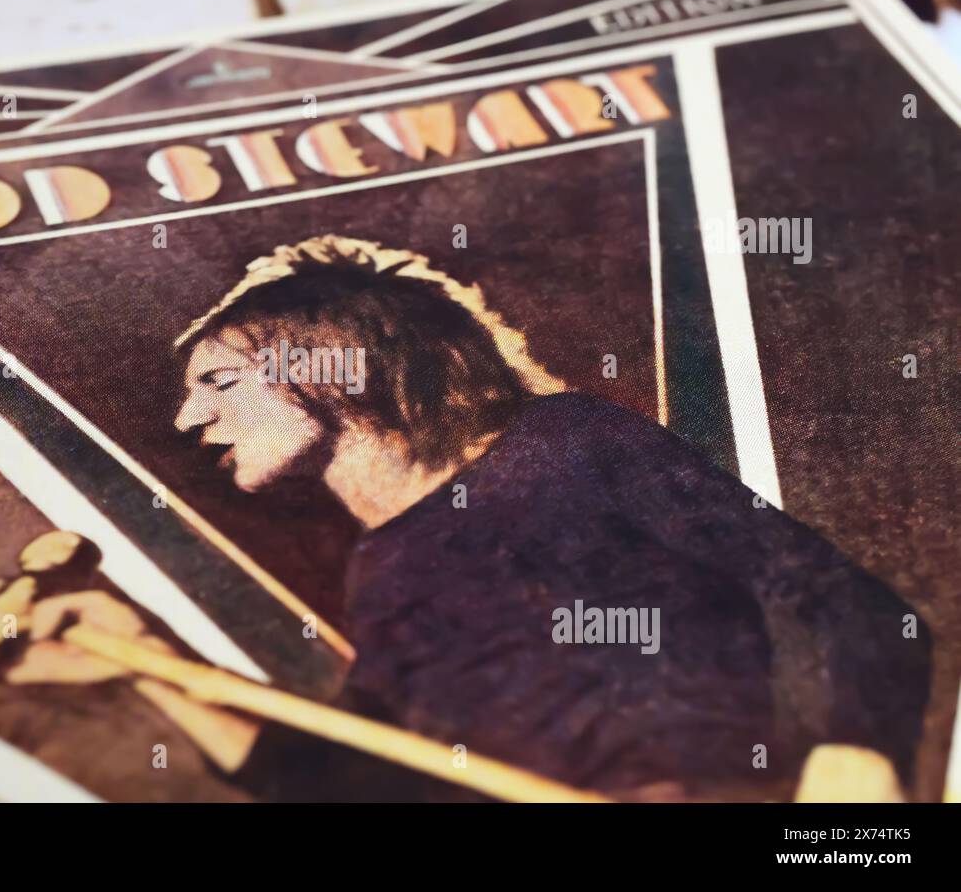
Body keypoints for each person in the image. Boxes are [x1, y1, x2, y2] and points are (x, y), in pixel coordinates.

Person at [165, 233, 931, 799]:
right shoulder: (380, 570)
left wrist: (854, 752)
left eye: (221, 381)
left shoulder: (567, 442)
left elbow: (818, 590)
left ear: (332, 362)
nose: (187, 418)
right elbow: (364, 779)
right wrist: (147, 665)